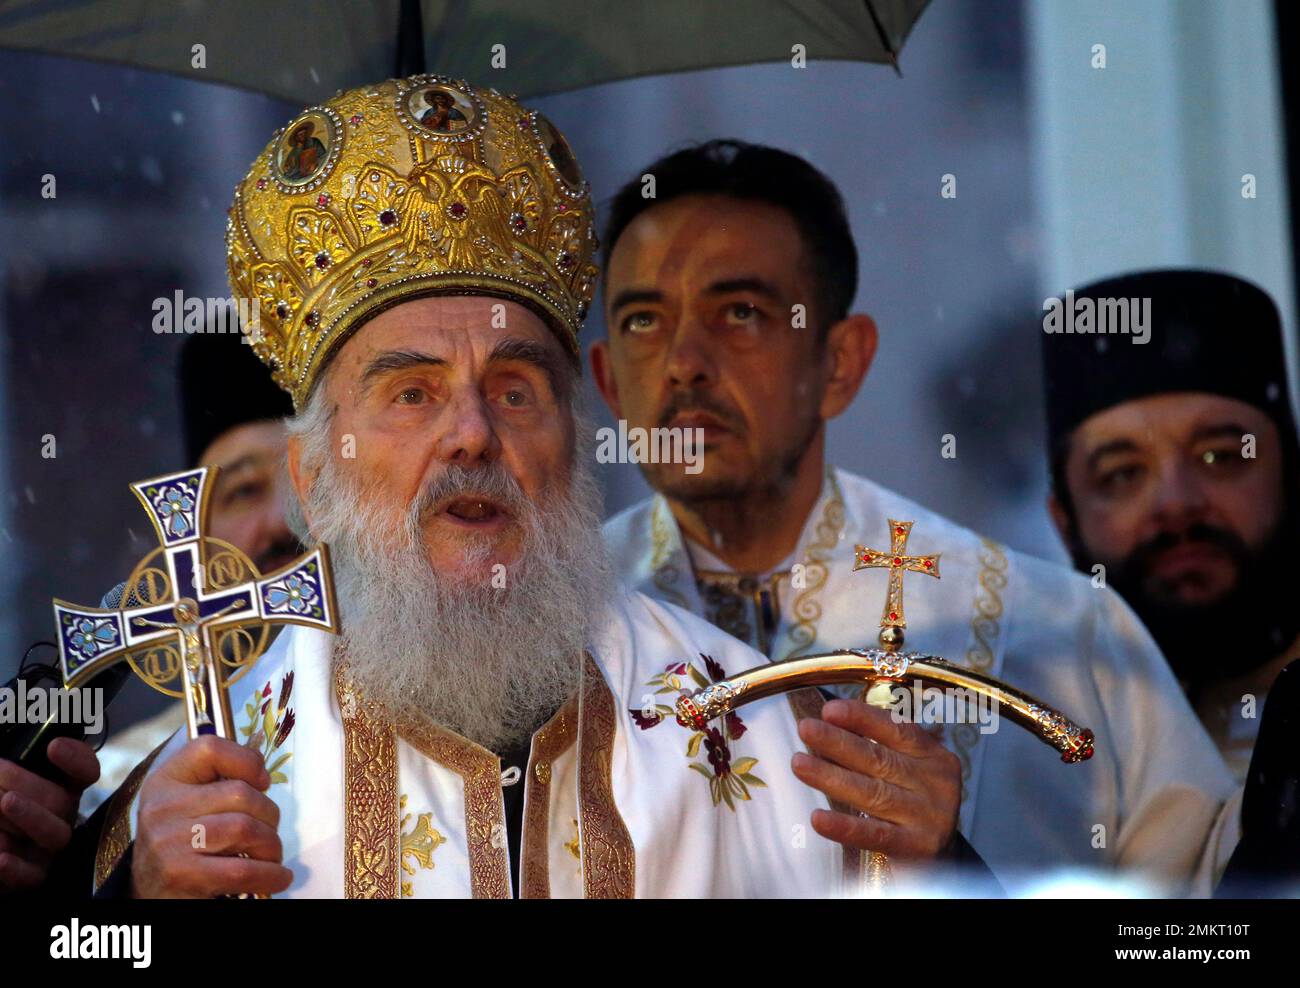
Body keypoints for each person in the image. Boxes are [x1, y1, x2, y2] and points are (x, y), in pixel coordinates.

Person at [80, 77, 973, 899]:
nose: (472, 433)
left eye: (515, 389)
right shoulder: (191, 793)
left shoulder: (782, 743)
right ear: (313, 480)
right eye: (411, 393)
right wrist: (136, 912)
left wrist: (949, 870)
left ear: (576, 448)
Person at [589, 140, 1239, 894]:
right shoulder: (559, 635)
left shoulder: (1059, 636)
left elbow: (1201, 932)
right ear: (607, 381)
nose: (683, 362)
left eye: (740, 312)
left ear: (840, 364)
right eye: (643, 321)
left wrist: (959, 875)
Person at [1040, 269, 1300, 783]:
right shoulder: (1059, 767)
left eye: (1220, 457)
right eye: (1122, 474)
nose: (1177, 503)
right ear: (1065, 524)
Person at [79, 331, 300, 816]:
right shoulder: (114, 794)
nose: (286, 521)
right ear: (193, 540)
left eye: (309, 480)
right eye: (244, 490)